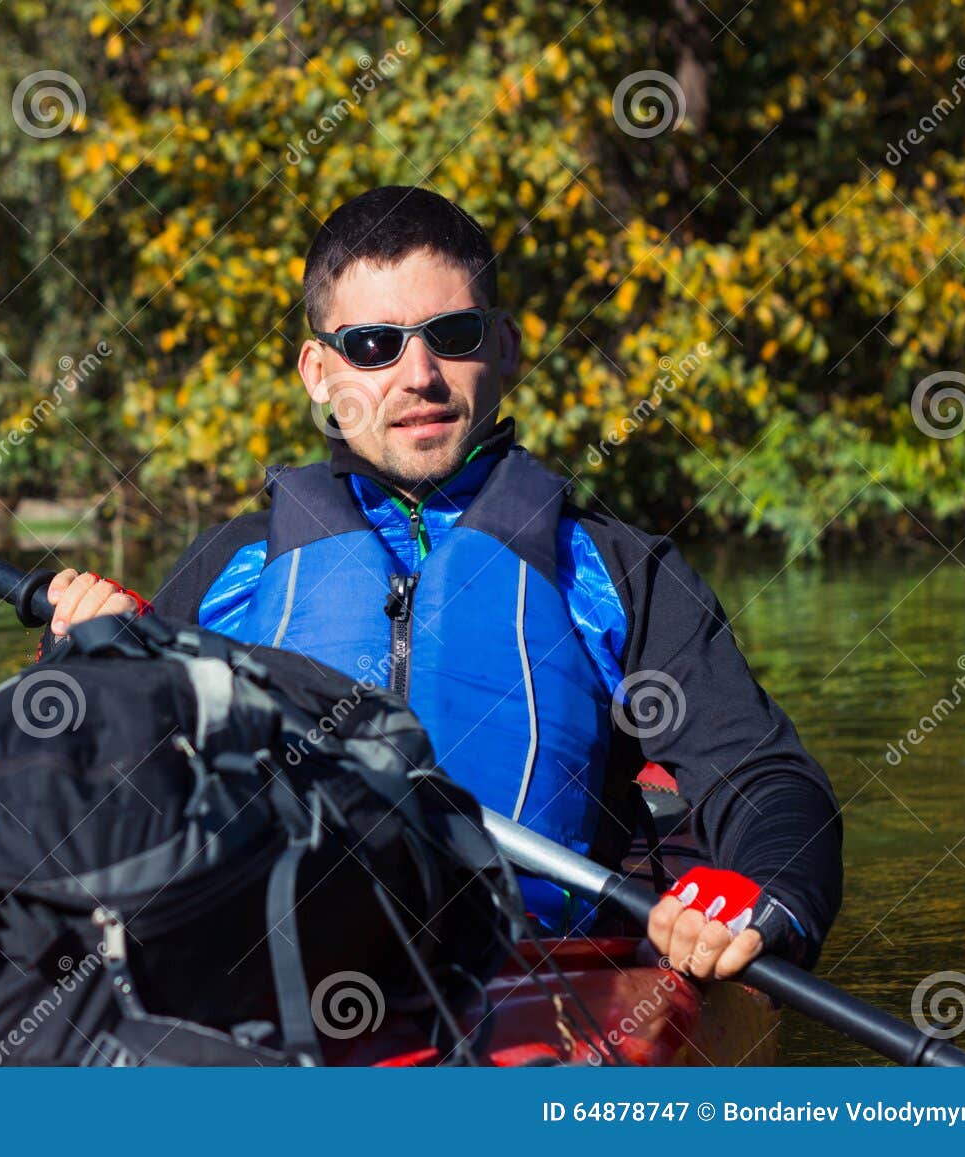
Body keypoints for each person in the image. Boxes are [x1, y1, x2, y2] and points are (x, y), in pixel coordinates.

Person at [43, 185, 842, 980]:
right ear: (319, 372)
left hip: (532, 985)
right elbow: (74, 803)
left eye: (451, 335)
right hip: (267, 982)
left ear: (506, 346)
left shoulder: (616, 568)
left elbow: (766, 780)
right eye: (372, 345)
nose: (417, 374)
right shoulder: (228, 570)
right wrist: (81, 671)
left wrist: (760, 896)